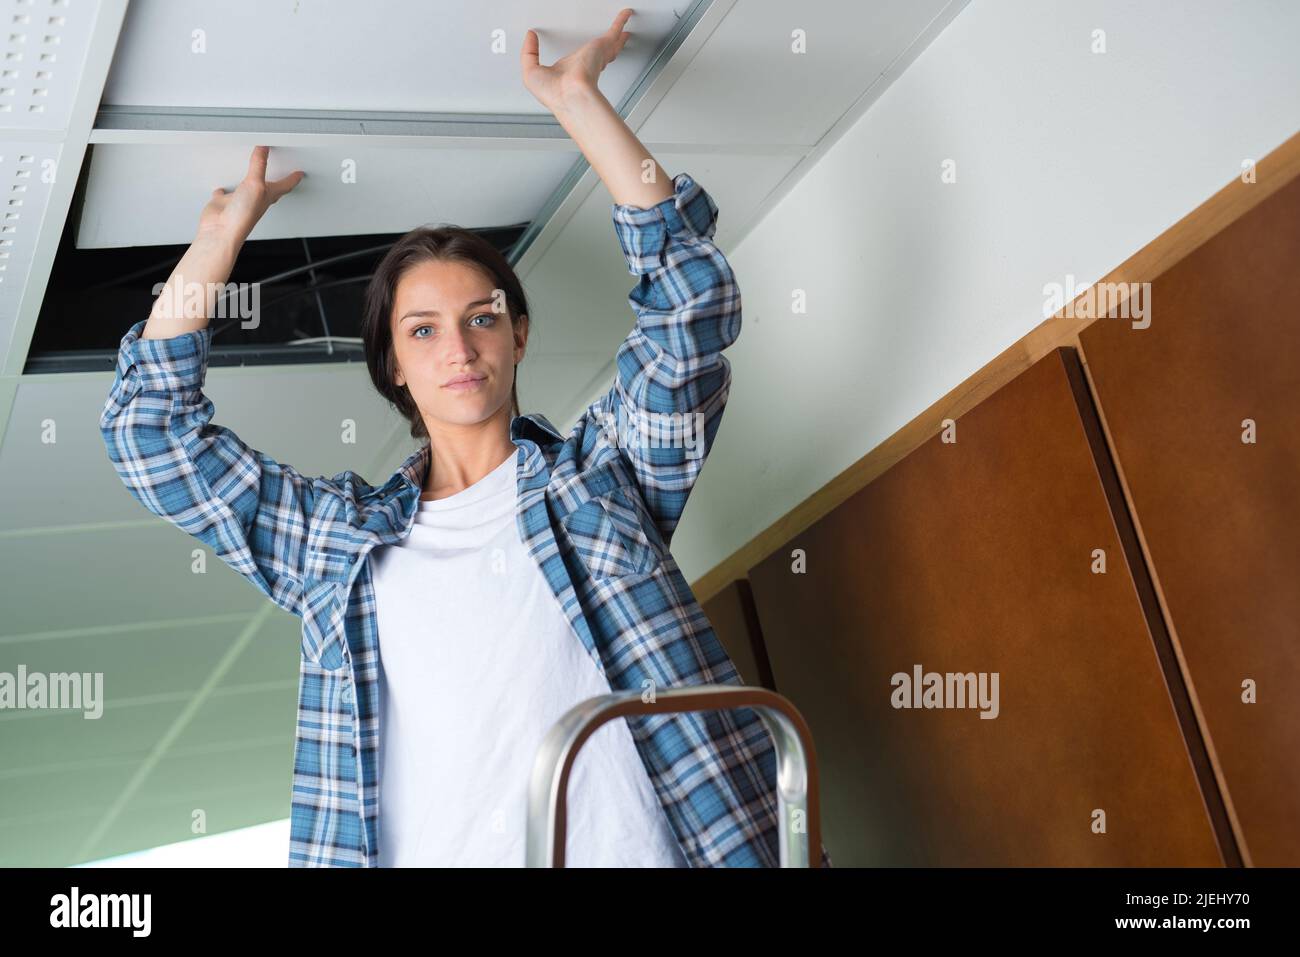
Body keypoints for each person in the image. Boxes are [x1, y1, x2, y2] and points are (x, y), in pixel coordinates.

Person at [101, 8, 831, 868]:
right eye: (422, 330)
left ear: (517, 335)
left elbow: (690, 311)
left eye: (481, 317)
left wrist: (579, 104)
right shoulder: (334, 544)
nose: (457, 346)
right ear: (392, 367)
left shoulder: (604, 480)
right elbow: (151, 437)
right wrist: (219, 242)